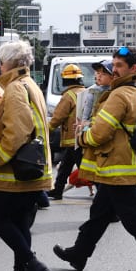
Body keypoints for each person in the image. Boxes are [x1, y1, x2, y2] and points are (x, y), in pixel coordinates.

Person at [52, 46, 136, 271]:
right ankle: (79, 253)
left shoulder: (120, 94)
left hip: (117, 165)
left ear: (133, 69)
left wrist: (82, 137)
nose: (113, 70)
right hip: (124, 164)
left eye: (119, 66)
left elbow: (100, 133)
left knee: (134, 217)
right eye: (113, 65)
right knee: (100, 213)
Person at [0, 40, 53, 271]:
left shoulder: (14, 88)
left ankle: (32, 265)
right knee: (20, 222)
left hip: (17, 171)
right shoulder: (30, 84)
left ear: (8, 63)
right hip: (33, 168)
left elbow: (16, 133)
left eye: (0, 63)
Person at [47, 64, 85, 200]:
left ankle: (105, 196)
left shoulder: (68, 96)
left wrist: (46, 131)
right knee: (65, 166)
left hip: (72, 138)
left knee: (84, 169)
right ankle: (57, 190)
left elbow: (58, 117)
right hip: (83, 137)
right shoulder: (86, 92)